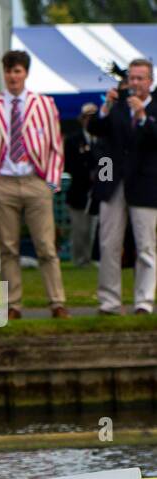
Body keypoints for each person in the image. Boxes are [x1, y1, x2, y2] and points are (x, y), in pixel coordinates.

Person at [0, 50, 67, 320]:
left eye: (17, 71)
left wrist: (50, 181)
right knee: (8, 248)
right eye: (8, 71)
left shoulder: (44, 105)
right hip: (3, 181)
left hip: (35, 180)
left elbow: (56, 146)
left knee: (46, 246)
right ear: (3, 74)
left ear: (25, 73)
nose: (12, 76)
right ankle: (13, 305)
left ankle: (57, 302)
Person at [88, 57, 157, 315]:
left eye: (140, 79)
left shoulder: (154, 108)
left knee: (146, 246)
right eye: (132, 78)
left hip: (145, 185)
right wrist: (105, 107)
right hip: (113, 182)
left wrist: (142, 116)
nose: (135, 84)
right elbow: (96, 129)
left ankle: (143, 302)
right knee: (109, 244)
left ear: (150, 82)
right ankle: (109, 301)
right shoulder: (117, 107)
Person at [64, 103, 98, 268]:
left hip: (99, 192)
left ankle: (93, 258)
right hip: (79, 191)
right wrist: (88, 173)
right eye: (87, 118)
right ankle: (80, 260)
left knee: (96, 228)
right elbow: (69, 165)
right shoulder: (72, 141)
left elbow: (109, 162)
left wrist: (103, 178)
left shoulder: (104, 139)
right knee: (80, 229)